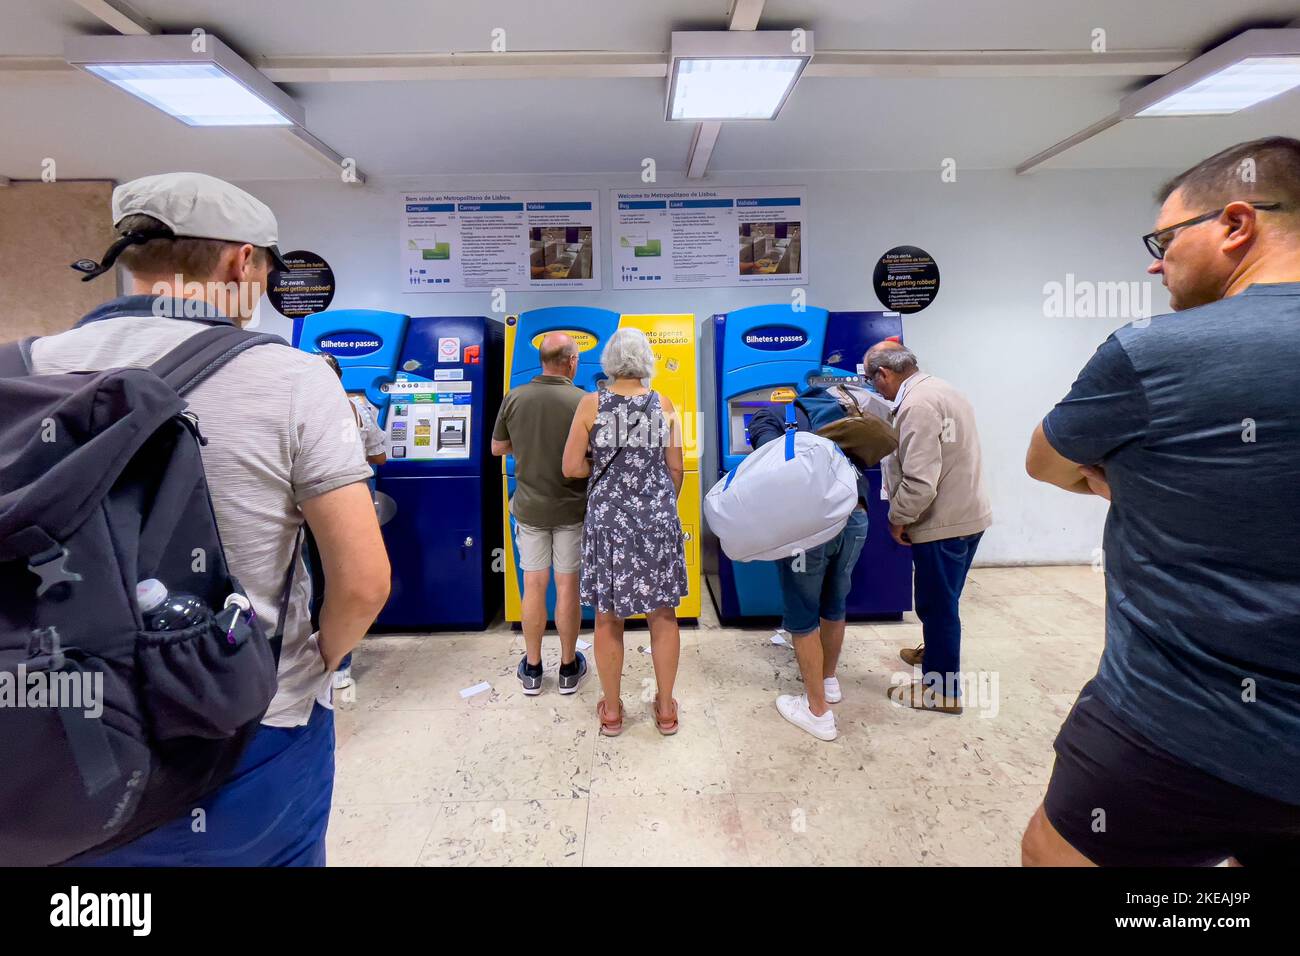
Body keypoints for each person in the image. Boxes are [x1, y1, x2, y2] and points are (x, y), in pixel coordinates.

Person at [32, 172, 391, 866]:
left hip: (68, 733)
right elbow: (365, 580)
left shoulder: (32, 366)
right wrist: (318, 665)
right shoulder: (293, 378)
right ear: (239, 261)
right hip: (248, 723)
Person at [1022, 137, 1300, 866]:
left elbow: (1045, 462)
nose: (1155, 261)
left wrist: (1127, 475)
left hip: (1173, 722)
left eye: (1166, 238)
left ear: (1237, 224)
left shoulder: (1155, 351)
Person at [561, 328, 687, 736]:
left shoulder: (590, 404)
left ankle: (612, 711)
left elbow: (571, 468)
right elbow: (676, 468)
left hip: (608, 521)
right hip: (656, 519)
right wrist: (656, 504)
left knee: (608, 615)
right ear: (646, 361)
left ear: (609, 363)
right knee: (663, 613)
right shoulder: (664, 404)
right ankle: (665, 708)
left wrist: (600, 471)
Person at [866, 343, 991, 715]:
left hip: (943, 522)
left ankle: (942, 690)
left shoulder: (916, 406)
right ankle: (934, 652)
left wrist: (897, 517)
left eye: (874, 383)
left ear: (884, 374)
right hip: (968, 513)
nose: (876, 390)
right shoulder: (940, 388)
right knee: (944, 598)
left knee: (937, 606)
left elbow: (921, 481)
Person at [747, 377, 873, 741]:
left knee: (802, 612)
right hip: (855, 518)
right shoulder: (842, 413)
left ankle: (817, 710)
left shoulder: (770, 416)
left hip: (810, 529)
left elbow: (769, 466)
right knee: (834, 602)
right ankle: (828, 680)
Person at [491, 332, 589, 695]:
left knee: (534, 584)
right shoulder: (583, 401)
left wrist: (529, 445)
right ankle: (567, 667)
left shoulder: (514, 397)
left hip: (529, 510)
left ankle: (532, 669)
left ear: (542, 360)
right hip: (572, 507)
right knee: (567, 586)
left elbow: (497, 447)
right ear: (571, 362)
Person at [317, 351, 386, 691]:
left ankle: (312, 660)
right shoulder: (361, 410)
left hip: (305, 507)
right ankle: (340, 662)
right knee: (346, 579)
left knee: (310, 579)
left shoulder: (301, 408)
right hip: (354, 502)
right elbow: (381, 456)